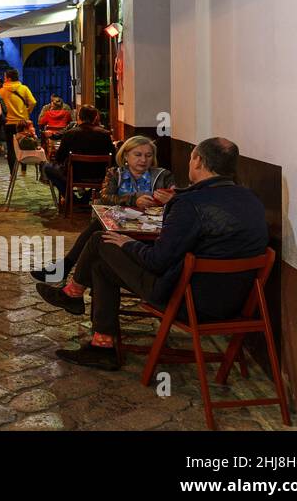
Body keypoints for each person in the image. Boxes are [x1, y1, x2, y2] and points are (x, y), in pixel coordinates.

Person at [39, 138, 267, 370]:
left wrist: (128, 244)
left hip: (186, 299)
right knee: (102, 266)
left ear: (198, 161)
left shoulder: (190, 204)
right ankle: (102, 345)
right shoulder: (252, 200)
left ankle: (74, 293)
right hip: (235, 301)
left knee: (101, 240)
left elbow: (157, 262)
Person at [29, 134, 176, 283]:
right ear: (126, 155)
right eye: (138, 155)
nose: (143, 160)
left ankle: (66, 270)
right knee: (98, 228)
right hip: (120, 228)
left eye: (148, 155)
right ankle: (68, 272)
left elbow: (178, 202)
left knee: (96, 231)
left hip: (151, 233)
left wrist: (170, 199)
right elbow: (105, 197)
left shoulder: (163, 176)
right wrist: (133, 199)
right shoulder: (115, 174)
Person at [42, 105, 115, 200]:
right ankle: (86, 197)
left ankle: (71, 199)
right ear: (95, 118)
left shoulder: (70, 134)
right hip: (99, 174)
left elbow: (59, 158)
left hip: (74, 174)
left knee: (47, 167)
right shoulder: (105, 134)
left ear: (79, 117)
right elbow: (113, 158)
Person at [0, 69, 36, 175]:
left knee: (11, 148)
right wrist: (27, 112)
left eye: (5, 77)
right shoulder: (24, 88)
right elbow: (33, 102)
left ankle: (12, 173)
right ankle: (24, 170)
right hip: (22, 123)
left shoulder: (1, 91)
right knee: (23, 144)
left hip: (8, 123)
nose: (4, 79)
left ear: (9, 79)